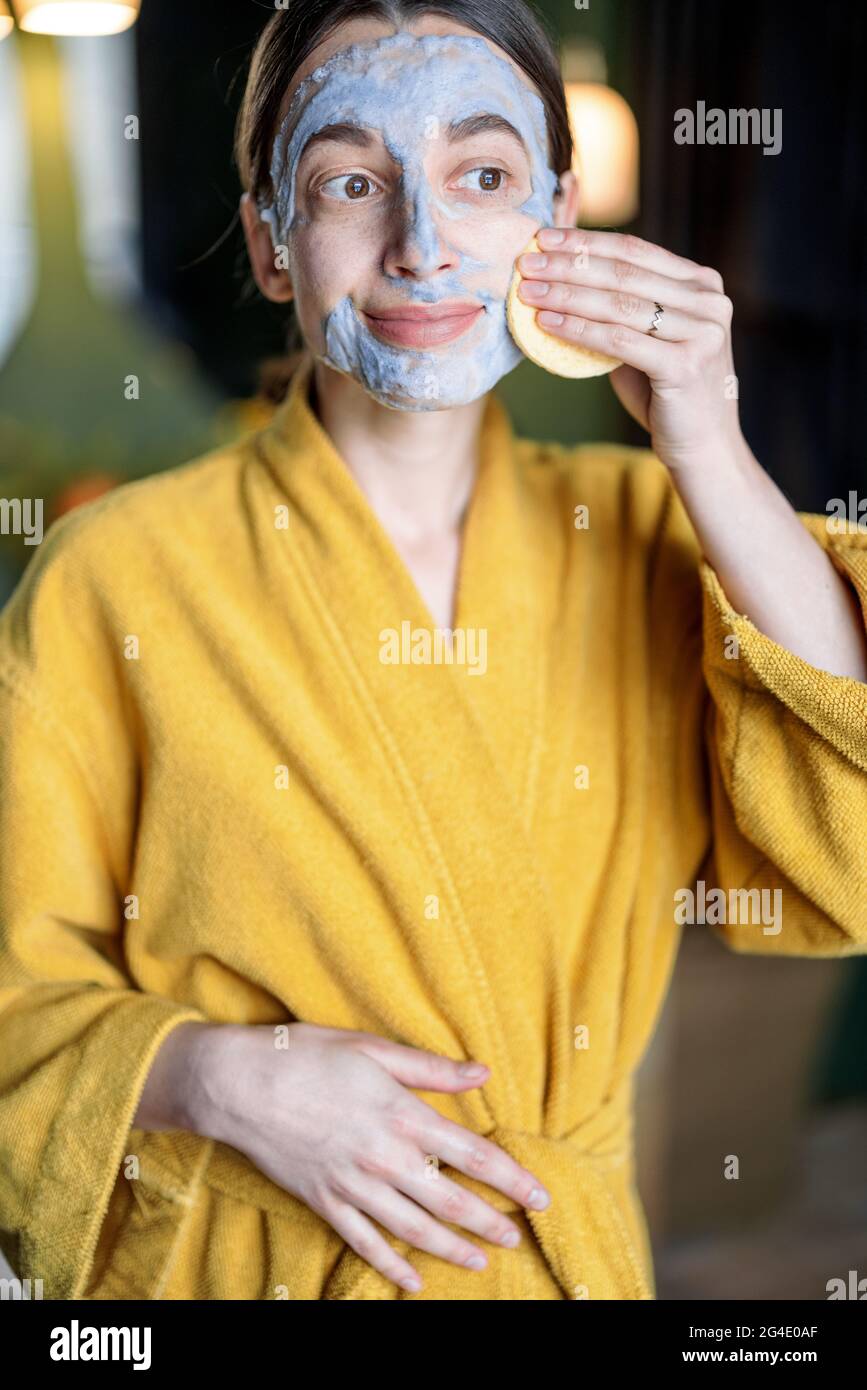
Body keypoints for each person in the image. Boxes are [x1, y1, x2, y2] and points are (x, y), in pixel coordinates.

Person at [0, 0, 865, 1303]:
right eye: (351, 181)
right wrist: (212, 1075)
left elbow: (849, 833)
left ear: (558, 225)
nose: (418, 243)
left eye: (482, 176)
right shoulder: (110, 577)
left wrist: (712, 447)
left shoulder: (657, 532)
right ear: (272, 242)